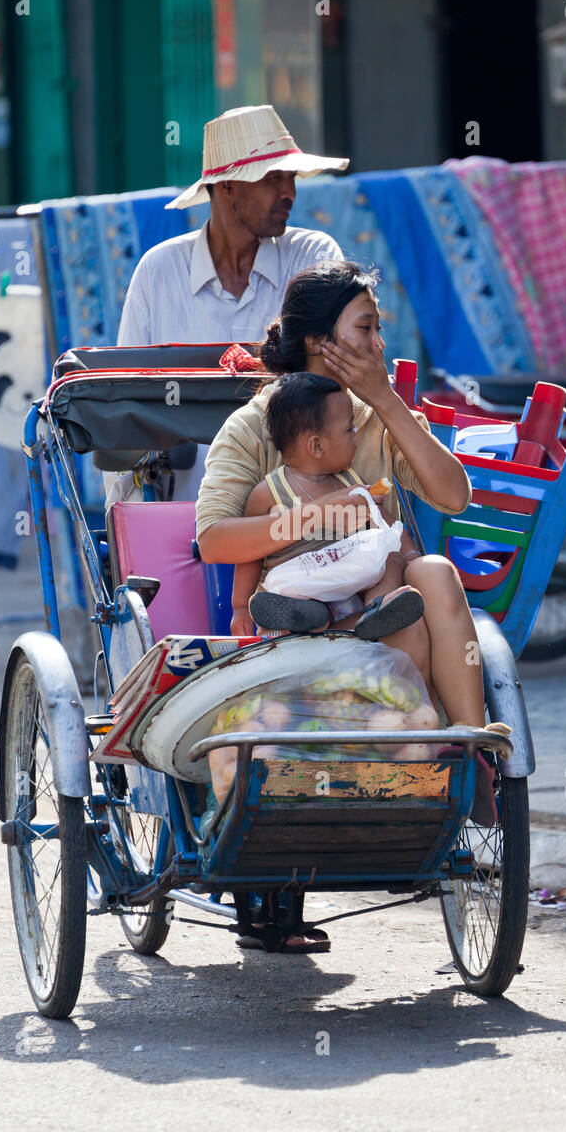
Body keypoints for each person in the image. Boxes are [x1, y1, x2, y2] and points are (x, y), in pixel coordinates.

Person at [196, 261, 510, 958]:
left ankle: (464, 752)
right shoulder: (258, 426)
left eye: (378, 329)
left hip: (385, 621)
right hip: (297, 625)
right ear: (320, 344)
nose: (378, 343)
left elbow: (454, 497)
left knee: (429, 567)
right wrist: (310, 523)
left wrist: (389, 403)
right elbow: (213, 537)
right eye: (365, 329)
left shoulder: (374, 416)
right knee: (392, 584)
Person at [107, 104, 349, 506]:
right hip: (180, 524)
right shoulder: (158, 272)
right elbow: (126, 414)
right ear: (227, 186)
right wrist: (134, 527)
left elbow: (336, 392)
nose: (289, 192)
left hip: (294, 526)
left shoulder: (313, 257)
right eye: (273, 178)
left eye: (291, 177)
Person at [232, 371, 425, 639]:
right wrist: (240, 606)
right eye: (349, 428)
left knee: (388, 552)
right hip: (296, 588)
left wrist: (410, 556)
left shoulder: (352, 485)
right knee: (282, 604)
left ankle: (377, 610)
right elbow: (249, 554)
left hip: (344, 584)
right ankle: (311, 618)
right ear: (317, 446)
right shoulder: (268, 493)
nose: (356, 433)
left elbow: (387, 522)